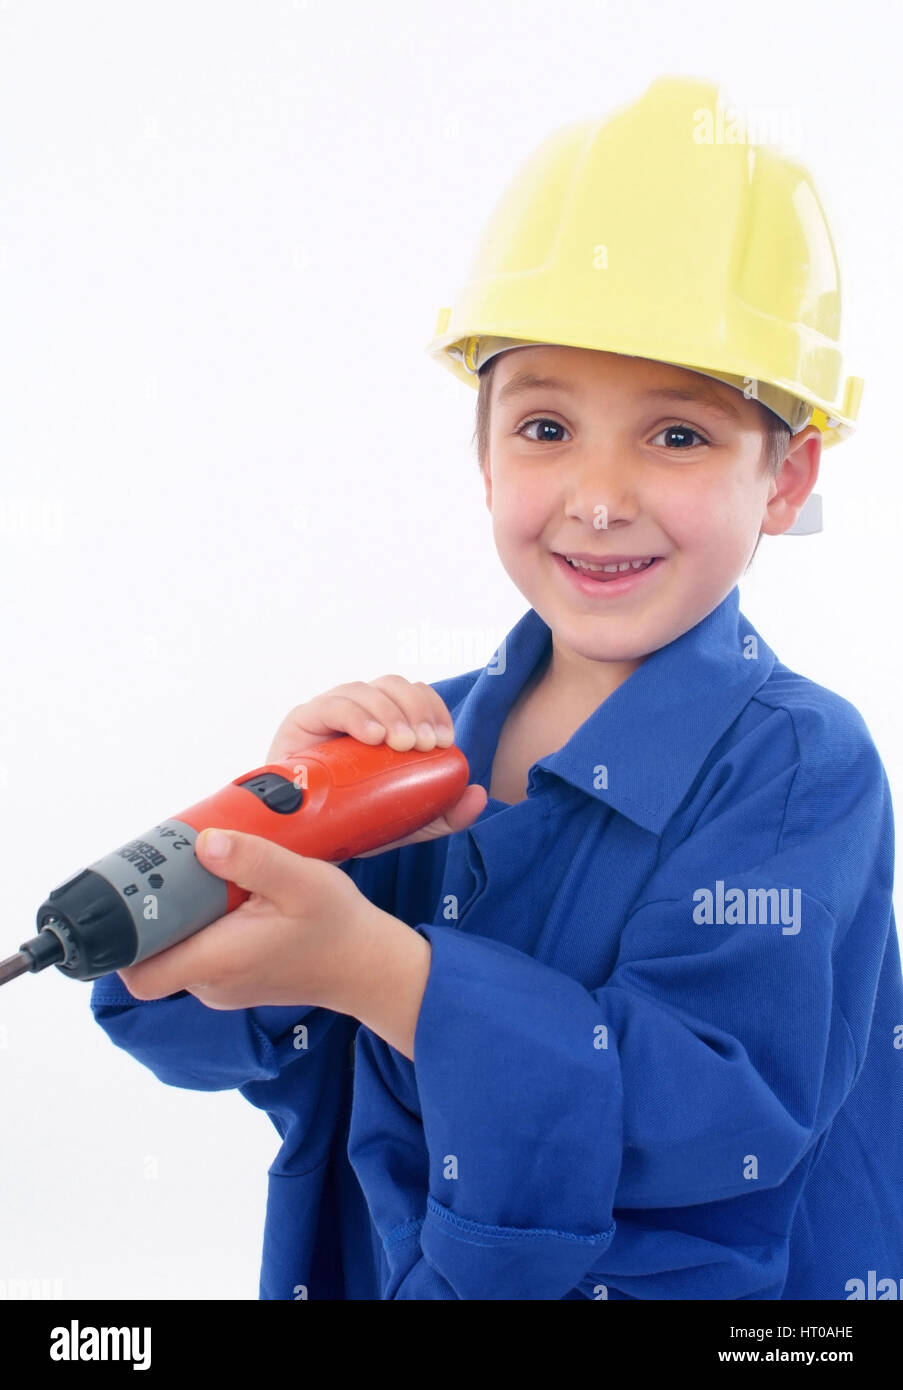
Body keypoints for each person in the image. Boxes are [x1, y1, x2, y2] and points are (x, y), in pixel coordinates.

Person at [90, 75, 903, 1300]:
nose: (597, 492)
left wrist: (389, 975)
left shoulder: (797, 767)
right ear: (480, 454)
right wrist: (260, 845)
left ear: (785, 482)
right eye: (544, 428)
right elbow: (184, 1024)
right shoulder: (414, 743)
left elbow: (714, 1114)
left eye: (677, 434)